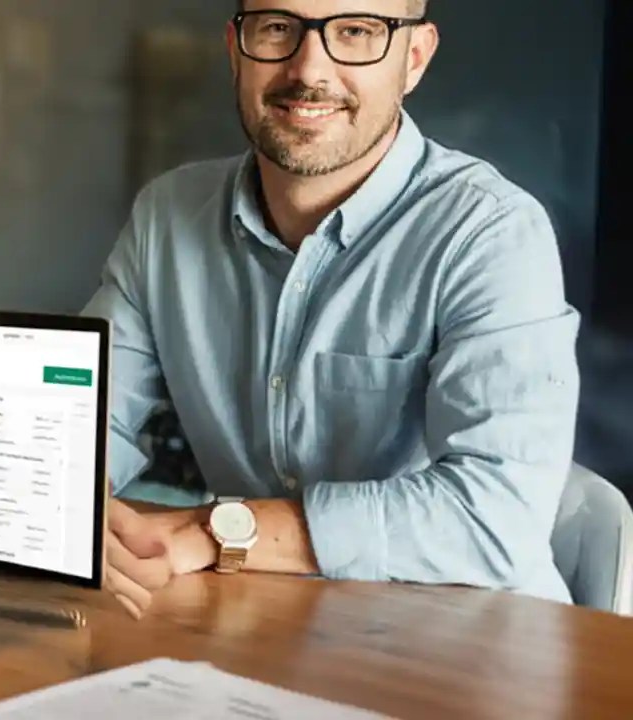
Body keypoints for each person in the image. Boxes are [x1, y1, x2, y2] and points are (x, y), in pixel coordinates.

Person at [85, 0, 580, 619]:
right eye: (277, 28)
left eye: (355, 31)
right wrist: (72, 503)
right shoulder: (167, 215)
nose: (308, 68)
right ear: (237, 49)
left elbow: (497, 516)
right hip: (255, 624)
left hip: (472, 642)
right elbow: (84, 421)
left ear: (415, 58)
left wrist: (218, 530)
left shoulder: (491, 233)